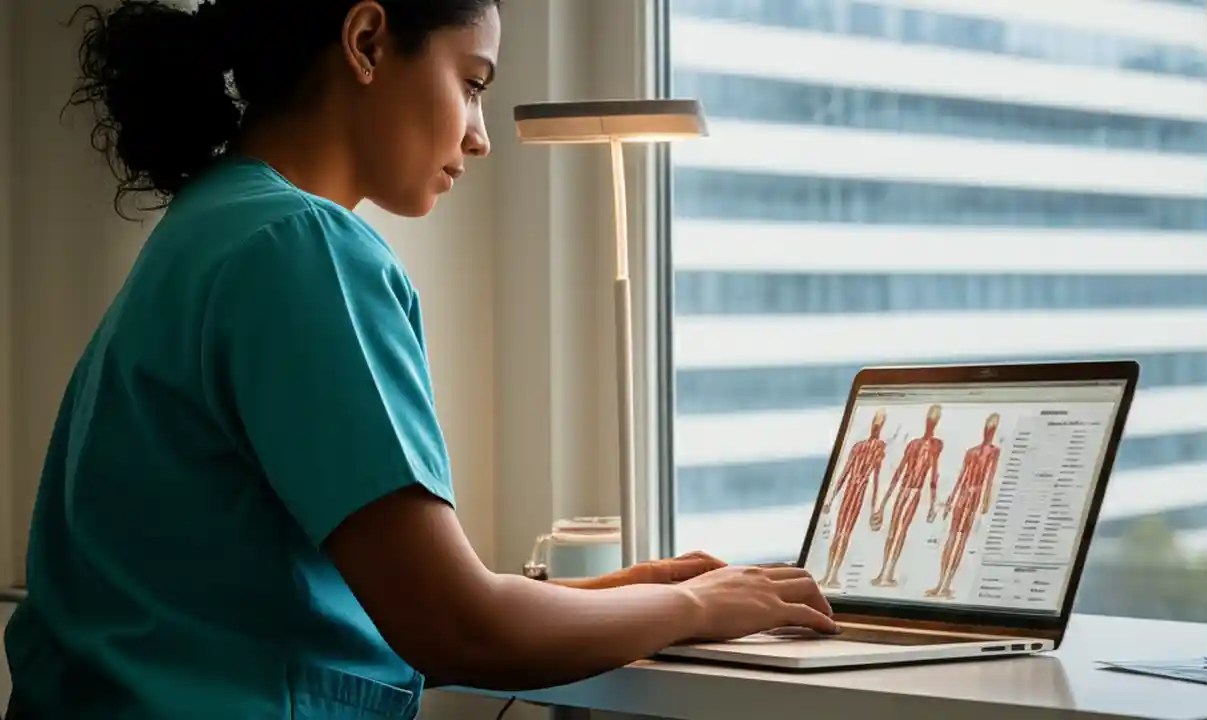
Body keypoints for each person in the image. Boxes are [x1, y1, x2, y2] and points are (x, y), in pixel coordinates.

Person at [2, 1, 837, 717]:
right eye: (472, 83)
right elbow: (456, 626)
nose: (478, 138)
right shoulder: (304, 250)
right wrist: (691, 606)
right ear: (367, 41)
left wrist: (642, 585)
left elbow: (391, 611)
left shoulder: (210, 227)